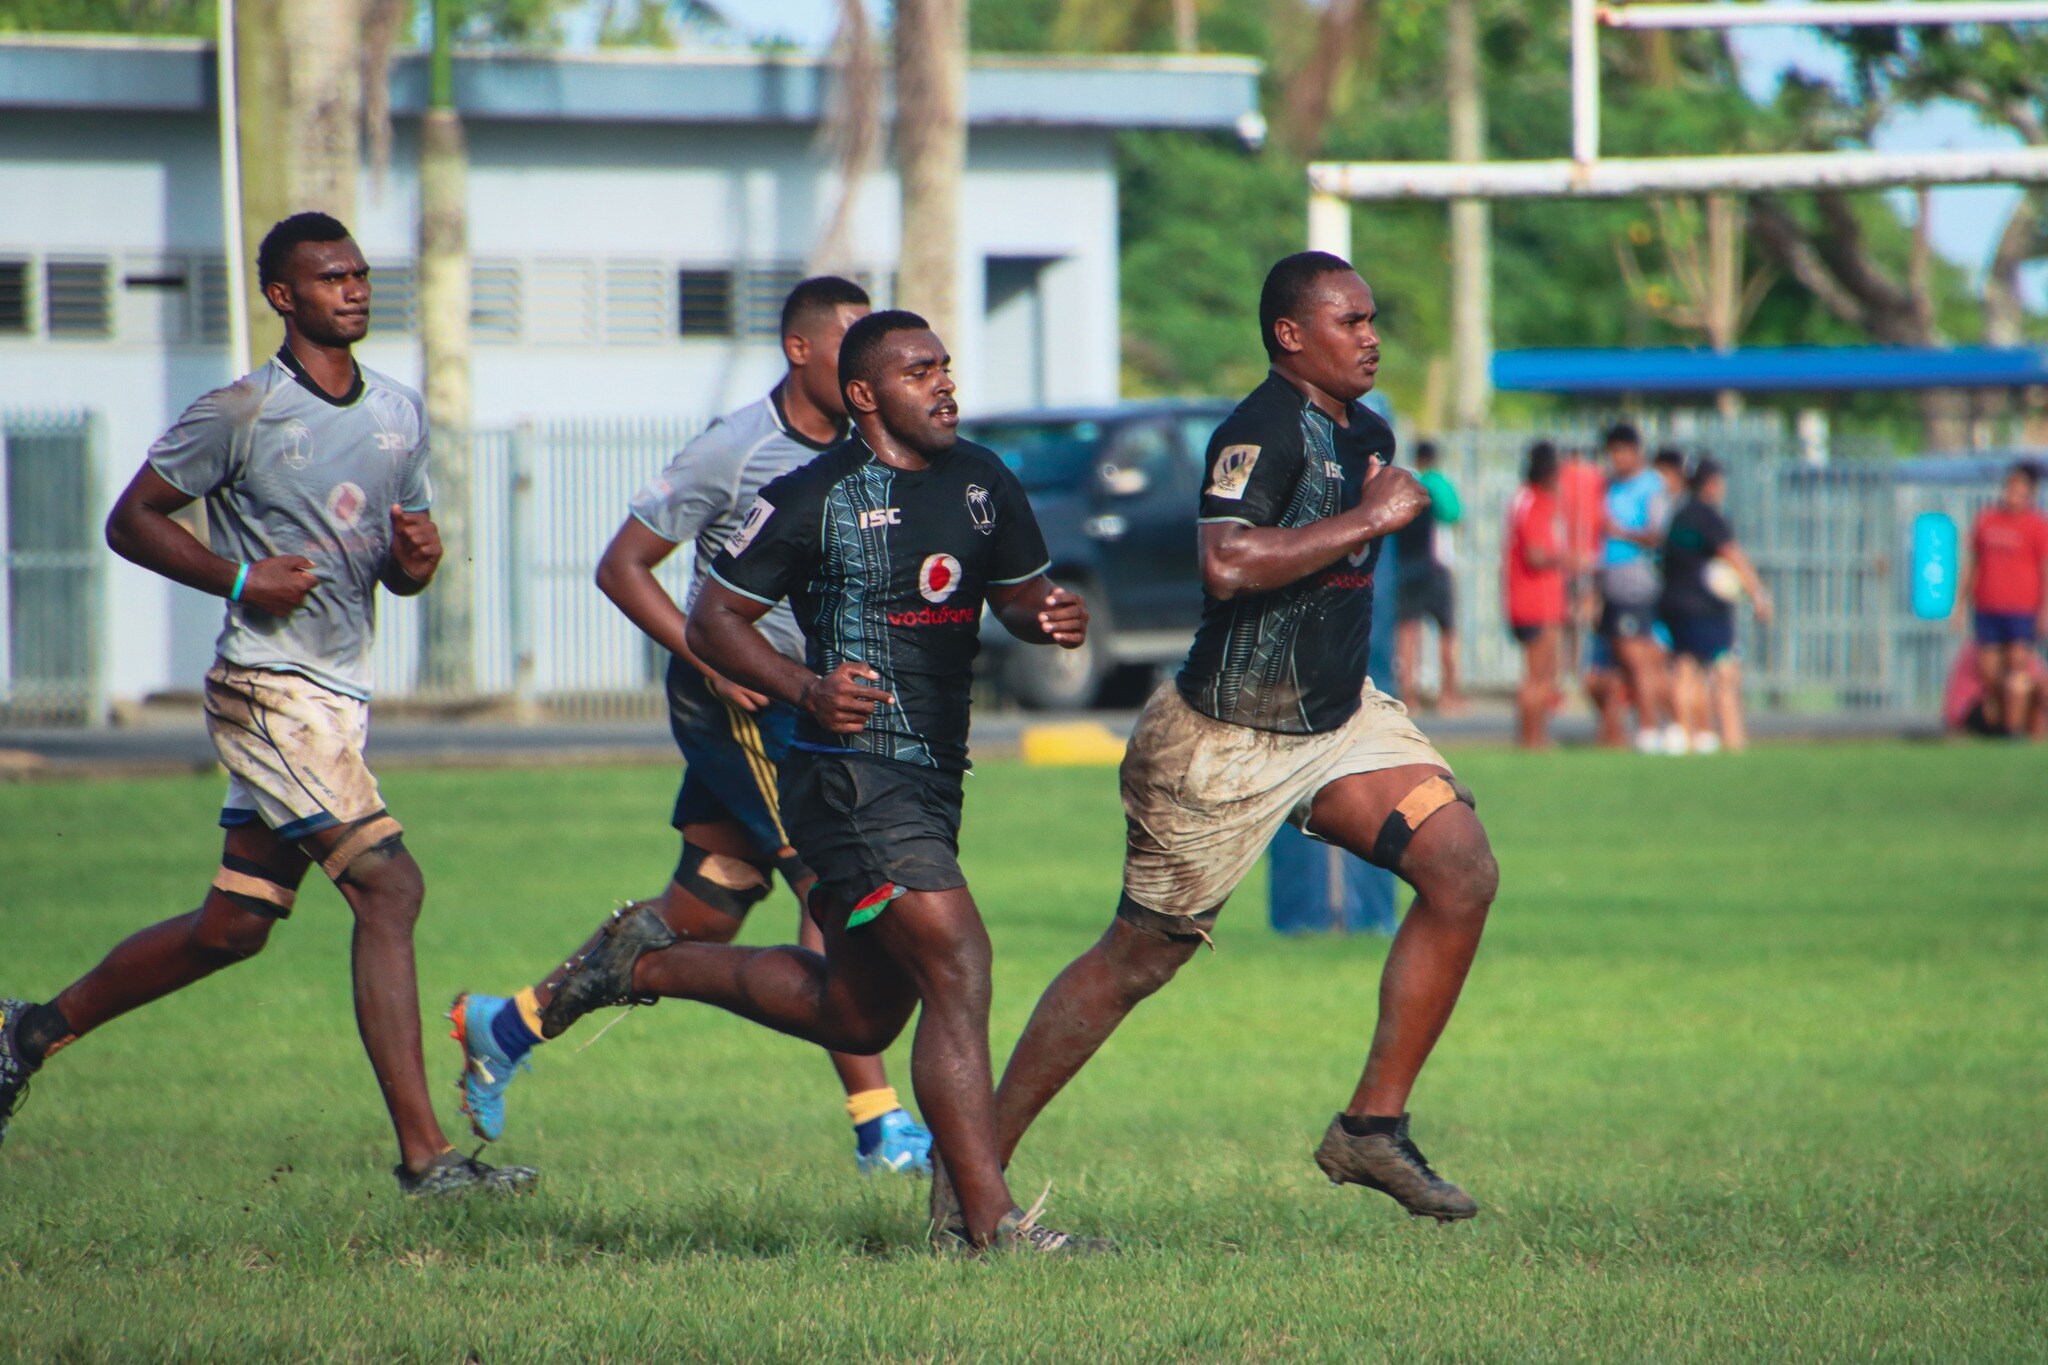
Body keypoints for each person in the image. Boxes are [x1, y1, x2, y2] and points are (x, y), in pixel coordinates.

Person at [511, 311, 1108, 1254]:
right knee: (959, 960)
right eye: (920, 371)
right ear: (865, 395)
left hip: (933, 780)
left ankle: (640, 962)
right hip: (845, 780)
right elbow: (715, 618)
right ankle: (987, 1226)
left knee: (859, 1009)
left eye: (946, 366)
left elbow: (1014, 598)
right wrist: (803, 687)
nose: (945, 383)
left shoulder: (984, 480)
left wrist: (1048, 616)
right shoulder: (809, 495)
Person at [0, 213, 530, 1196]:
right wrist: (240, 580)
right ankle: (427, 1163)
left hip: (338, 698)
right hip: (266, 690)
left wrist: (418, 566)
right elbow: (131, 521)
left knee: (232, 928)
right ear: (284, 297)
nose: (354, 291)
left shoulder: (401, 415)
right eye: (330, 279)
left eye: (361, 275)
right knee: (389, 888)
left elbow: (399, 564)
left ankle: (25, 1034)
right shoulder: (242, 409)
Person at [969, 252, 1499, 1228]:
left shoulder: (1365, 430)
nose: (1370, 335)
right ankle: (971, 1178)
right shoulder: (1257, 430)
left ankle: (1369, 1130)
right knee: (1136, 962)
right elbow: (1225, 563)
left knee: (1459, 868)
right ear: (1290, 336)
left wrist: (1370, 508)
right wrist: (1366, 519)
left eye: (1372, 317)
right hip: (1221, 740)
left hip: (1336, 718)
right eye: (1349, 321)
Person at [447, 278, 933, 1175]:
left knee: (700, 911)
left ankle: (505, 1022)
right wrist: (715, 656)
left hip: (821, 707)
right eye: (852, 348)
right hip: (743, 702)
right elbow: (622, 566)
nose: (872, 370)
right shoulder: (734, 449)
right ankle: (880, 1123)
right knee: (835, 882)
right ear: (800, 350)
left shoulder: (874, 449)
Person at [1658, 458, 1772, 753]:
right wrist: (1758, 593)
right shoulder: (1709, 517)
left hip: (1674, 604)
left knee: (1684, 668)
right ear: (1711, 484)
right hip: (1705, 608)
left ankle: (1685, 733)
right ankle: (1733, 739)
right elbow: (1731, 554)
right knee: (1725, 672)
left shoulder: (1678, 515)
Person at [1597, 423, 1682, 753]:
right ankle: (1675, 726)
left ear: (1636, 452)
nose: (1616, 458)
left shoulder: (1650, 486)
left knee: (1638, 660)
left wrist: (1618, 532)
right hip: (1614, 582)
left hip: (1635, 582)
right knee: (1639, 660)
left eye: (1622, 451)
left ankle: (1649, 730)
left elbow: (1657, 534)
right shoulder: (1611, 486)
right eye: (1612, 452)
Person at [1957, 462, 2048, 738]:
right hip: (1987, 607)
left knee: (2017, 665)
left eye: (2020, 489)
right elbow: (1972, 565)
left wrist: (2044, 611)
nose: (2013, 494)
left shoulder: (2037, 525)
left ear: (2030, 493)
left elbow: (2045, 570)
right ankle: (2010, 716)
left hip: (2022, 610)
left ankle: (2013, 730)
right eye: (2011, 487)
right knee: (1989, 673)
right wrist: (1960, 606)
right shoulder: (1987, 520)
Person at [1505, 441, 1569, 748]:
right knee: (1539, 675)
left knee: (1541, 674)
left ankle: (1534, 736)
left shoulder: (1524, 499)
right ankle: (1533, 738)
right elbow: (1536, 553)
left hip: (1531, 599)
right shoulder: (1535, 501)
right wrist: (1567, 558)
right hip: (1536, 600)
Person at [1393, 441, 1464, 711]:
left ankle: (1409, 696)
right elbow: (1456, 515)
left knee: (1408, 632)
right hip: (1437, 566)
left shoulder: (1403, 484)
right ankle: (1450, 695)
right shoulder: (1440, 484)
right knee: (1447, 630)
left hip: (1406, 566)